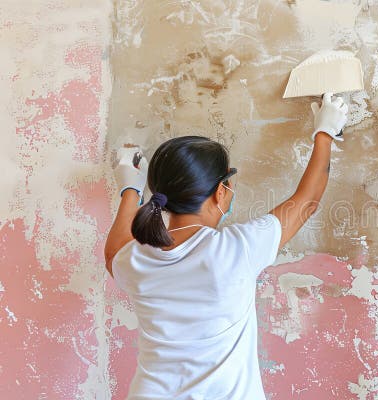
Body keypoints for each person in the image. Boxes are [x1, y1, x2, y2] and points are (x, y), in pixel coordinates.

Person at [103, 93, 349, 399]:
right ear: (221, 191)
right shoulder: (237, 249)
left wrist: (129, 189)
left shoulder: (136, 260)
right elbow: (307, 201)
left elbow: (114, 251)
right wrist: (325, 133)